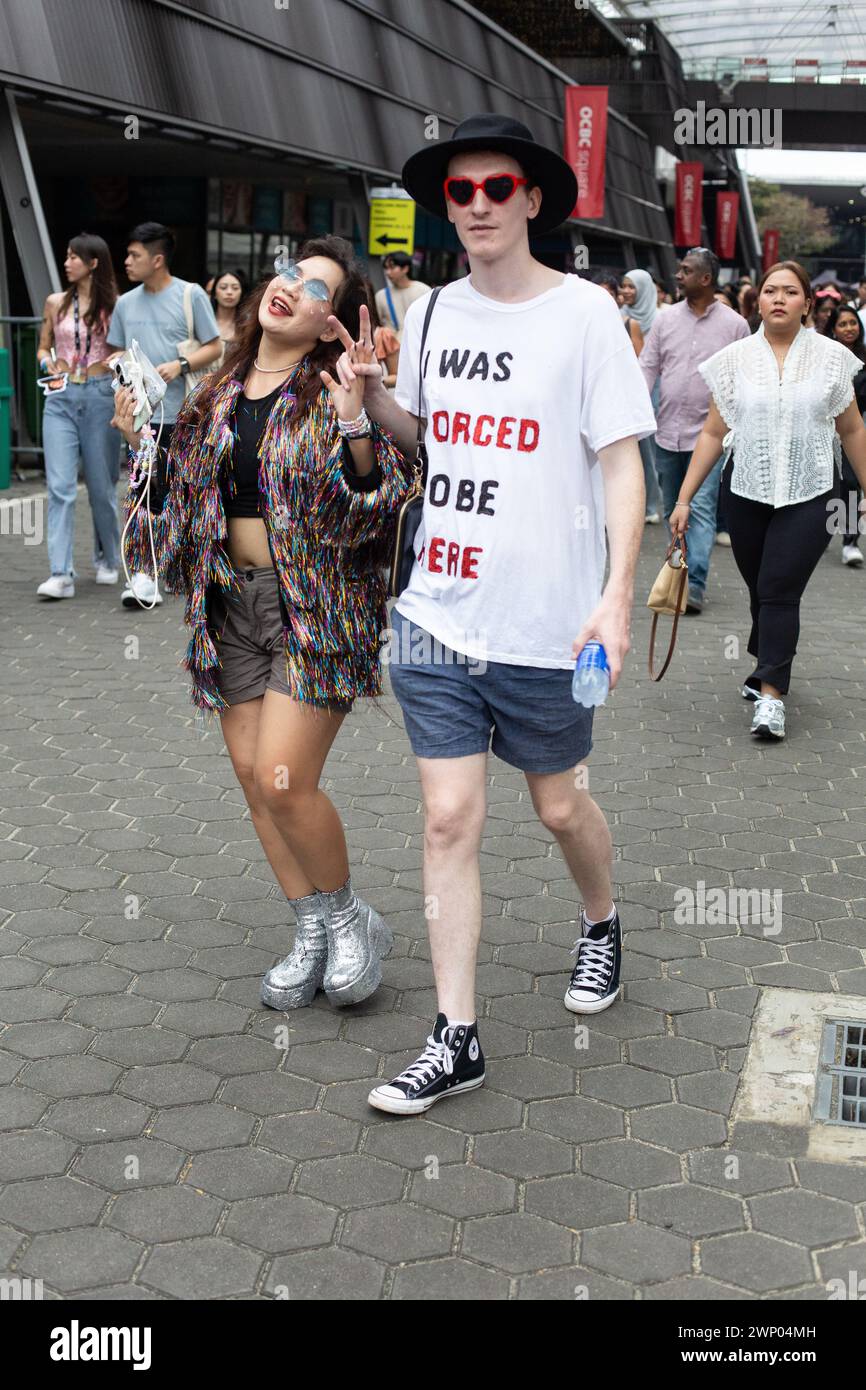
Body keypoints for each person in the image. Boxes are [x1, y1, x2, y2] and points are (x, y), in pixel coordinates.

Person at [328, 113, 656, 1116]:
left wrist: (612, 595)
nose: (472, 205)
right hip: (434, 611)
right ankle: (455, 1035)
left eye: (492, 187)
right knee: (445, 817)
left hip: (545, 622)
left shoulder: (584, 316)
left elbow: (618, 461)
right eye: (456, 192)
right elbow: (424, 440)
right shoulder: (428, 314)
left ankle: (597, 919)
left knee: (556, 806)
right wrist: (366, 400)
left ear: (530, 199)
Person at [114, 236, 413, 1011]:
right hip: (229, 606)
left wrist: (354, 421)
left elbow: (373, 514)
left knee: (285, 778)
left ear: (327, 325)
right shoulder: (216, 394)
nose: (289, 288)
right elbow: (172, 525)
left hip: (313, 610)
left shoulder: (334, 389)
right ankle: (311, 928)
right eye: (287, 274)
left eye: (314, 288)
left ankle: (353, 920)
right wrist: (138, 450)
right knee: (253, 779)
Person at [670, 261, 866, 740]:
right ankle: (766, 656)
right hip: (746, 490)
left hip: (813, 488)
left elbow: (852, 428)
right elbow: (715, 431)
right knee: (760, 586)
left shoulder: (834, 359)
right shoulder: (733, 360)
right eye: (771, 290)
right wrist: (682, 499)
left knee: (780, 587)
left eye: (791, 292)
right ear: (757, 300)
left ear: (807, 304)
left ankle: (772, 693)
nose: (779, 298)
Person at [105, 222, 222, 607]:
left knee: (180, 491)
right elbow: (117, 351)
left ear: (157, 259)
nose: (126, 262)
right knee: (142, 489)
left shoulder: (190, 295)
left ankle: (175, 564)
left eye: (134, 255)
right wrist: (121, 368)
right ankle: (142, 572)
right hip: (140, 418)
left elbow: (215, 347)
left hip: (183, 413)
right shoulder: (124, 303)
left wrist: (180, 364)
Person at [639, 246, 750, 613]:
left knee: (700, 509)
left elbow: (741, 382)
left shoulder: (735, 325)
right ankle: (675, 577)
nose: (677, 274)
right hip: (665, 432)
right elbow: (648, 366)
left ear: (705, 278)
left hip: (711, 437)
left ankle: (695, 584)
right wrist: (636, 409)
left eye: (685, 270)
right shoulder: (666, 319)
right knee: (674, 509)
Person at [35, 233, 120, 600]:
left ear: (94, 263)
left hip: (101, 395)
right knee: (60, 487)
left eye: (74, 257)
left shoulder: (116, 305)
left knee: (101, 488)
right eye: (67, 256)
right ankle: (60, 572)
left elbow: (121, 351)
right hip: (61, 395)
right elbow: (43, 345)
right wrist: (47, 362)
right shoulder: (56, 302)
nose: (67, 262)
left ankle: (107, 557)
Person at [621, 268, 663, 524]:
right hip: (627, 389)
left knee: (650, 449)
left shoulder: (661, 319)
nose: (626, 291)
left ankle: (652, 503)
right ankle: (647, 503)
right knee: (637, 448)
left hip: (654, 388)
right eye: (624, 286)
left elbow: (645, 362)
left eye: (631, 287)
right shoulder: (617, 316)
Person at [825, 304, 866, 567]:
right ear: (834, 329)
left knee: (851, 484)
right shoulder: (826, 358)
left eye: (853, 323)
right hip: (821, 432)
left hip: (853, 432)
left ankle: (850, 542)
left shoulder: (864, 360)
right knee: (831, 487)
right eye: (843, 324)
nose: (849, 328)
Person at [373, 251, 429, 338]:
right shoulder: (381, 296)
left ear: (405, 268)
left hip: (418, 344)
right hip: (392, 349)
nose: (388, 272)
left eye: (392, 267)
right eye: (386, 268)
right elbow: (375, 324)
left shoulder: (424, 291)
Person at [210, 267, 248, 367]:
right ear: (214, 293)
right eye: (223, 287)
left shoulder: (248, 324)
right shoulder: (203, 321)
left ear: (241, 293)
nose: (229, 292)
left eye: (235, 288)